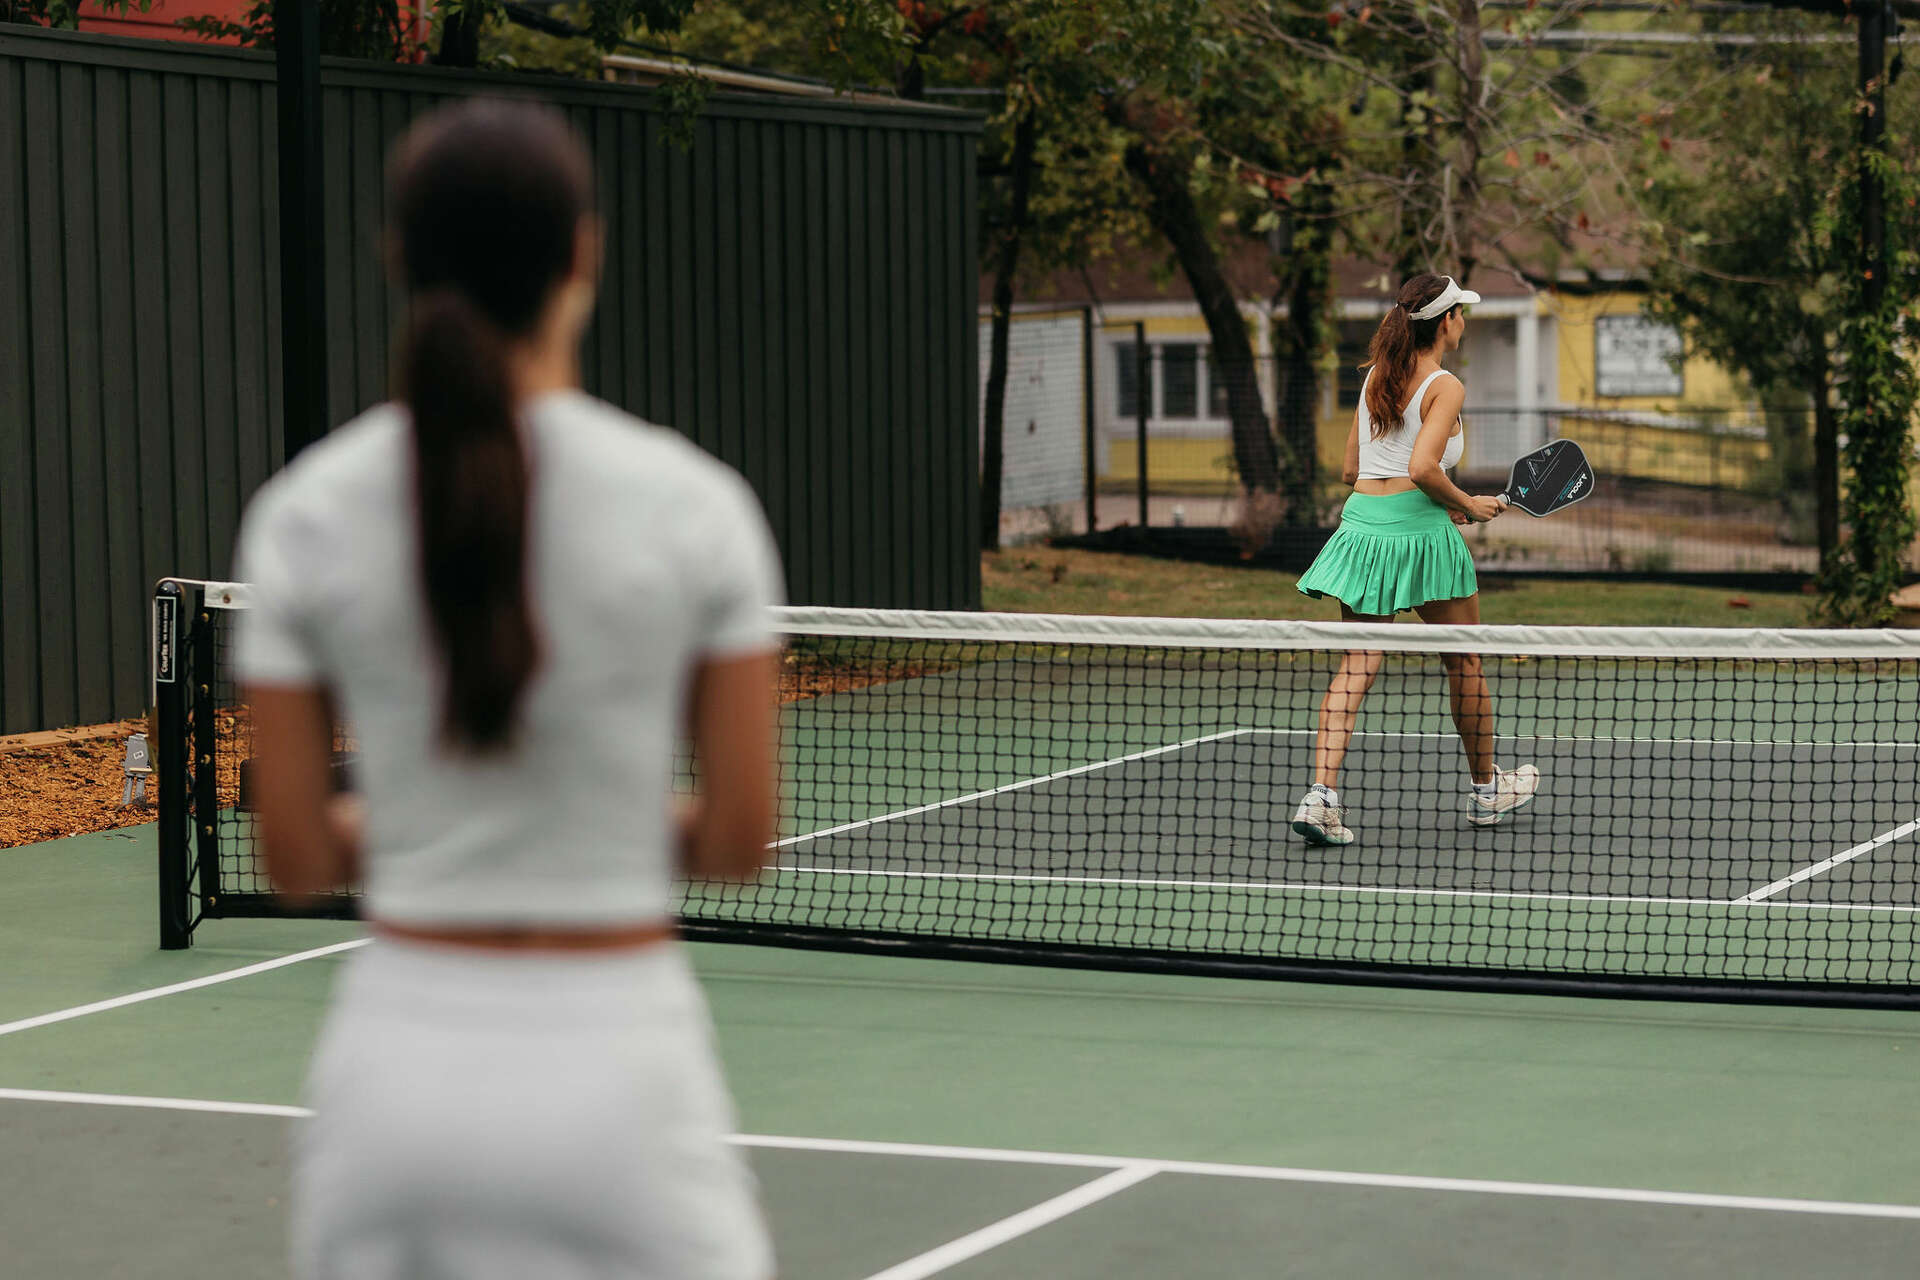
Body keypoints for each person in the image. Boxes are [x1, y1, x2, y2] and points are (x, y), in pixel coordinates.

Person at [235, 100, 780, 1279]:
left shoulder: (301, 515)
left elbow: (295, 853)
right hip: (620, 1073)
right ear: (583, 254)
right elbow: (739, 836)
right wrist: (574, 818)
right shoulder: (698, 508)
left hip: (395, 1082)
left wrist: (441, 819)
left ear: (397, 257)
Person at [1290, 273, 1540, 846]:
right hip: (1419, 534)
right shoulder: (1445, 385)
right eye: (1461, 313)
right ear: (1446, 321)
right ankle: (1486, 791)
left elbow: (1352, 471)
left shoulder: (1375, 376)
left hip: (1363, 527)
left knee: (1357, 663)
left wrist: (1440, 504)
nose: (1464, 322)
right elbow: (1424, 468)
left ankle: (1321, 798)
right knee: (1465, 661)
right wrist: (1467, 505)